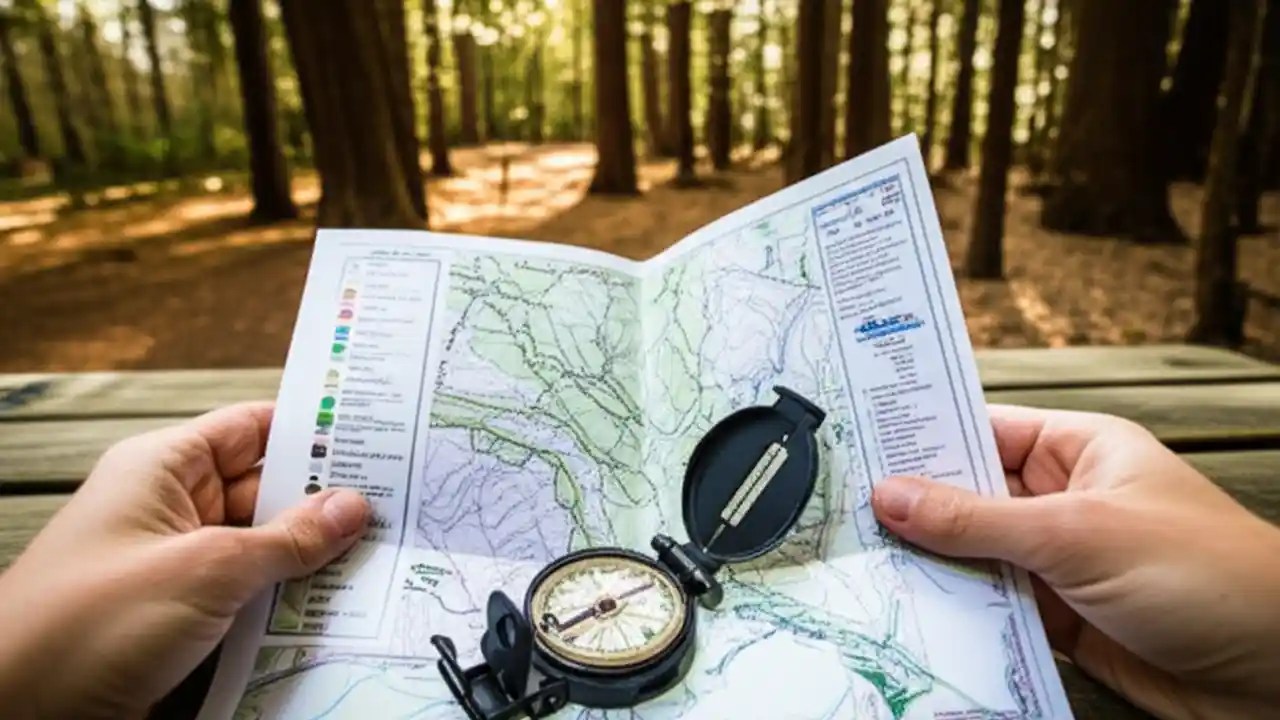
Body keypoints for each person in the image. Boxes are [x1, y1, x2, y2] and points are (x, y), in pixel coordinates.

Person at [0, 402, 1276, 719]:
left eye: (603, 608)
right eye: (597, 606)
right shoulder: (622, 604)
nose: (603, 604)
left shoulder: (644, 597)